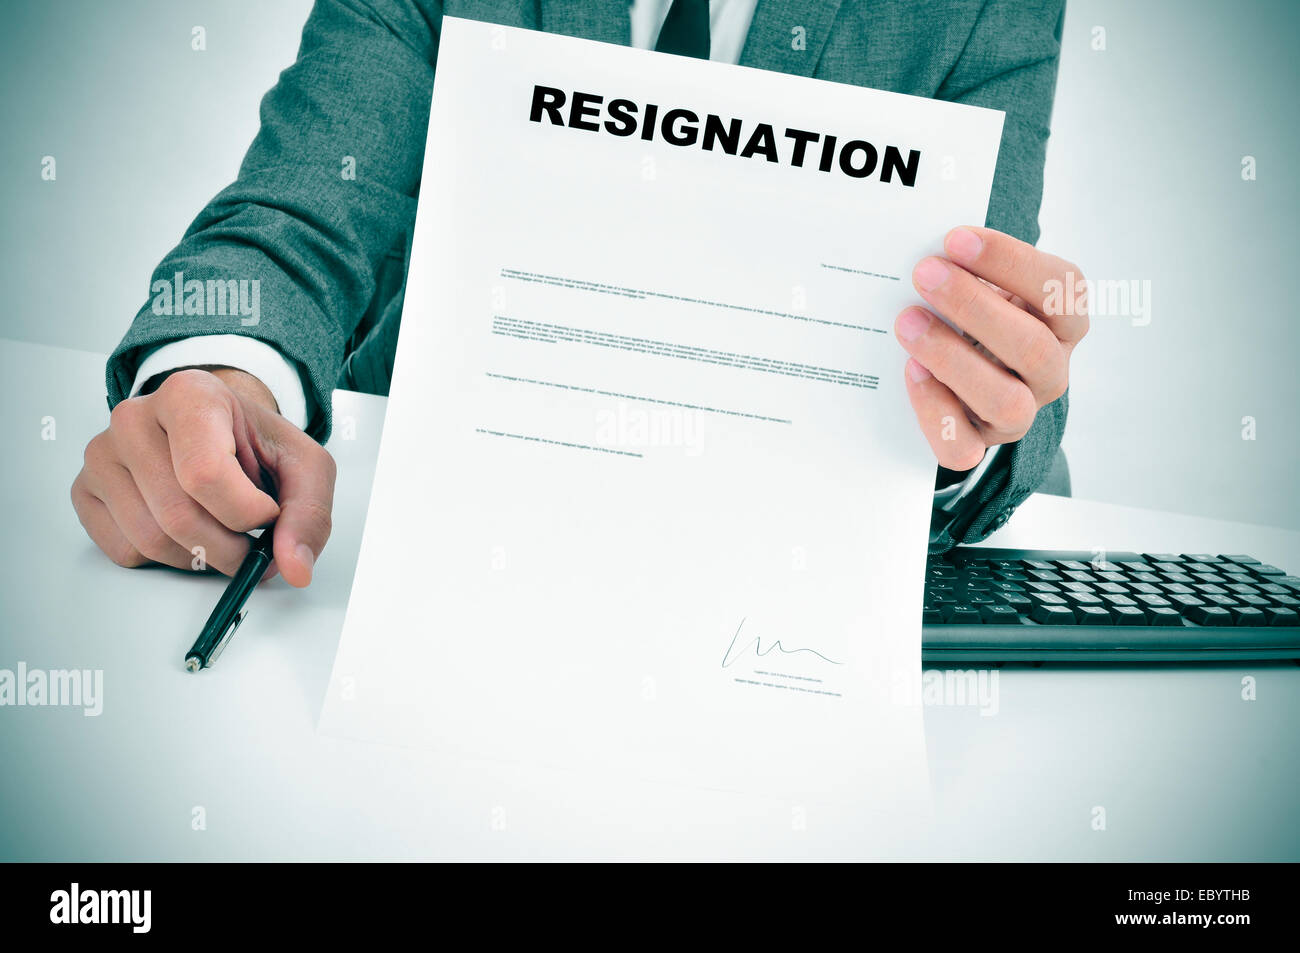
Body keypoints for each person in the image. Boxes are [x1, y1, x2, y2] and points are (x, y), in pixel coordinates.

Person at [71, 0, 1086, 587]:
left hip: (767, 585)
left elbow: (982, 326)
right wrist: (224, 371)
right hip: (421, 561)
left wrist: (972, 419)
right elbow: (302, 204)